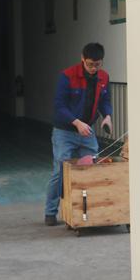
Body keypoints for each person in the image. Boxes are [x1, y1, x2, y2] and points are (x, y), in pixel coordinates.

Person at [44, 42, 112, 225]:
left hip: (87, 131)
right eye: (90, 64)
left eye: (97, 64)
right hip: (64, 131)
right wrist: (76, 122)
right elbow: (59, 106)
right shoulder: (67, 76)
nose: (93, 68)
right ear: (82, 59)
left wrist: (107, 116)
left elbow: (105, 100)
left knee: (91, 169)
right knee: (60, 170)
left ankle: (88, 212)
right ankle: (50, 212)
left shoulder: (104, 77)